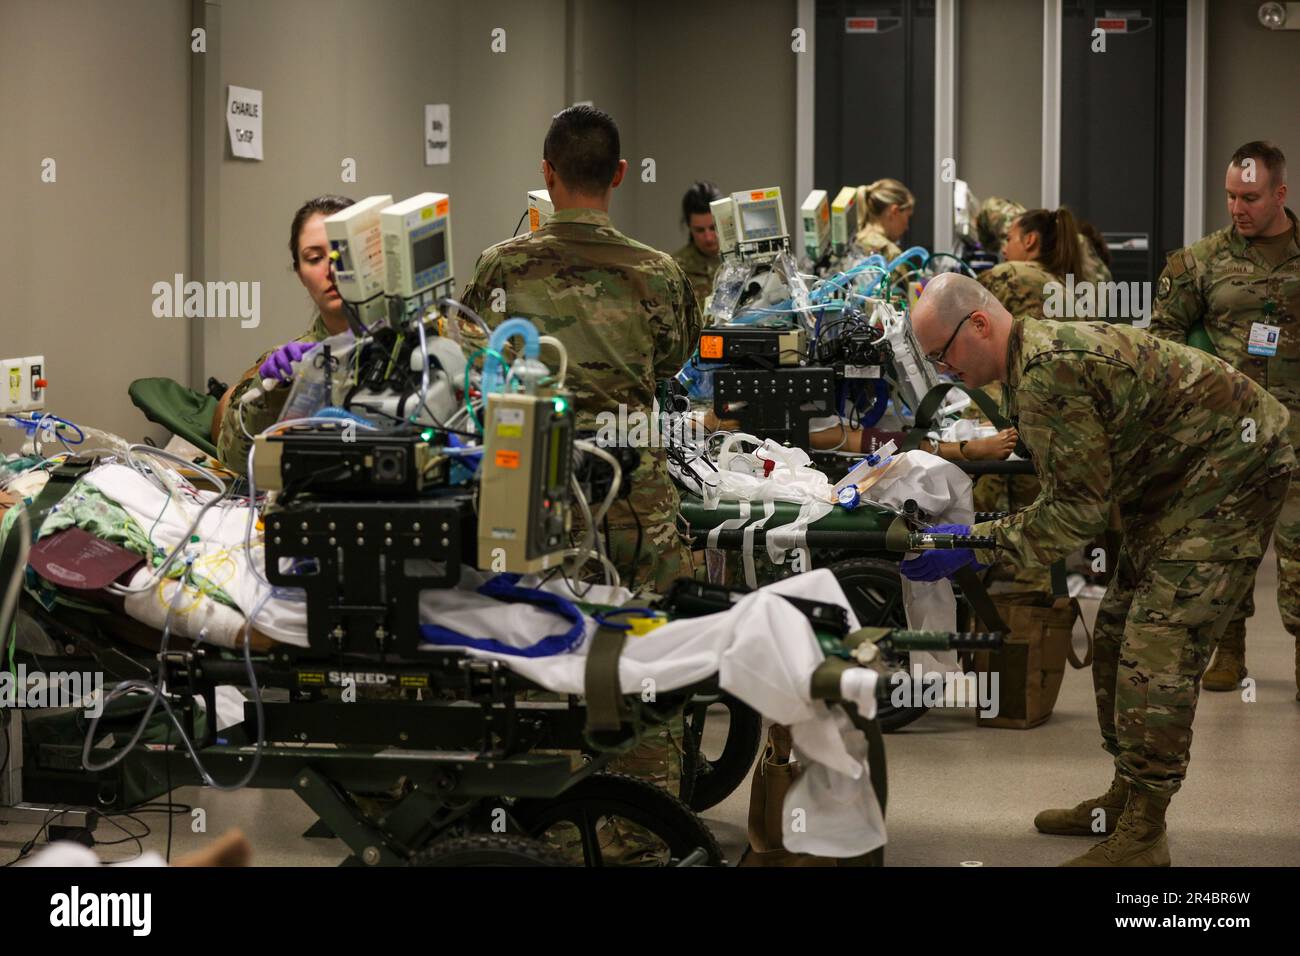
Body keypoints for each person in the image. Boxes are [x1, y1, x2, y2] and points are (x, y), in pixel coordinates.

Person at [904, 272, 1293, 866]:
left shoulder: (1045, 372)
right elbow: (1073, 490)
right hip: (1177, 478)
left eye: (942, 354)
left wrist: (974, 544)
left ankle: (1145, 834)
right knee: (1112, 631)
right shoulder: (1023, 365)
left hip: (1234, 471)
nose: (943, 370)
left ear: (978, 324)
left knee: (1156, 646)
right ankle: (1126, 796)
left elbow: (1074, 515)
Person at [1151, 140, 1300, 697]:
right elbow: (1161, 341)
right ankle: (1229, 652)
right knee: (1227, 545)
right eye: (1231, 196)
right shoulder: (1200, 261)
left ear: (1280, 193)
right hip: (1231, 436)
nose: (1238, 207)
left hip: (1297, 429)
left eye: (1251, 197)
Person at [213, 195, 356, 472]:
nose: (330, 269)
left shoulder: (424, 340)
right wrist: (269, 394)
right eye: (314, 258)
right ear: (301, 275)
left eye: (342, 251)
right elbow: (236, 459)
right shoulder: (289, 366)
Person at [672, 181, 723, 310]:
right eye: (700, 230)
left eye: (713, 227)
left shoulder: (746, 261)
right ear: (689, 227)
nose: (709, 238)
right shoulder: (675, 269)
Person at [855, 179, 914, 267]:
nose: (907, 227)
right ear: (894, 212)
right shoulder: (890, 254)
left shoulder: (854, 241)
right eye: (907, 216)